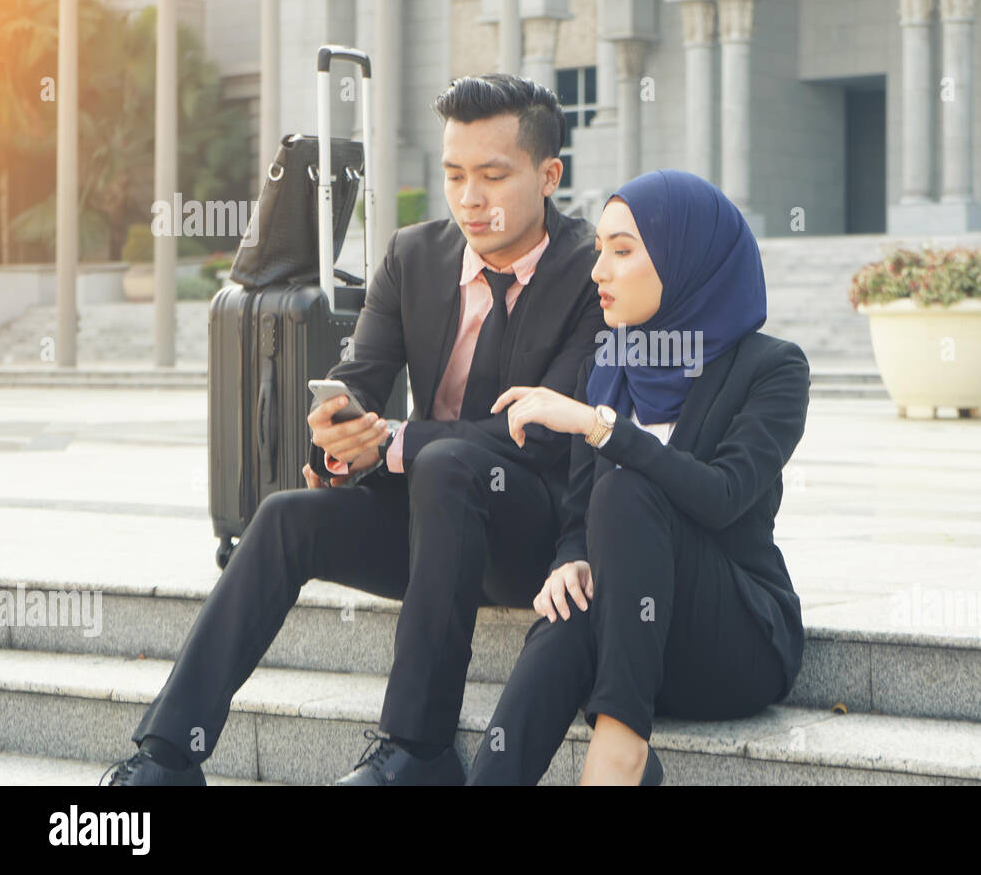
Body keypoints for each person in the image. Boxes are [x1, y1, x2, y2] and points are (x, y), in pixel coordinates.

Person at [101, 74, 605, 786]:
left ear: (549, 175)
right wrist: (336, 440)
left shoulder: (590, 272)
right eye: (455, 175)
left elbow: (544, 428)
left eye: (494, 176)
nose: (470, 198)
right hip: (431, 526)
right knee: (283, 517)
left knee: (445, 464)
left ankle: (417, 751)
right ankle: (166, 757)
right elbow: (359, 378)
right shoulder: (414, 256)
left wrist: (394, 442)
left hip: (535, 535)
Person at [464, 169, 811, 785]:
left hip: (732, 641)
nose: (598, 270)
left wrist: (600, 427)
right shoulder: (612, 363)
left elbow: (724, 496)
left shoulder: (772, 368)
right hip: (634, 646)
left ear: (685, 260)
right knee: (567, 614)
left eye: (622, 251)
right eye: (598, 250)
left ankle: (619, 755)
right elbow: (579, 516)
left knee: (625, 483)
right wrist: (571, 558)